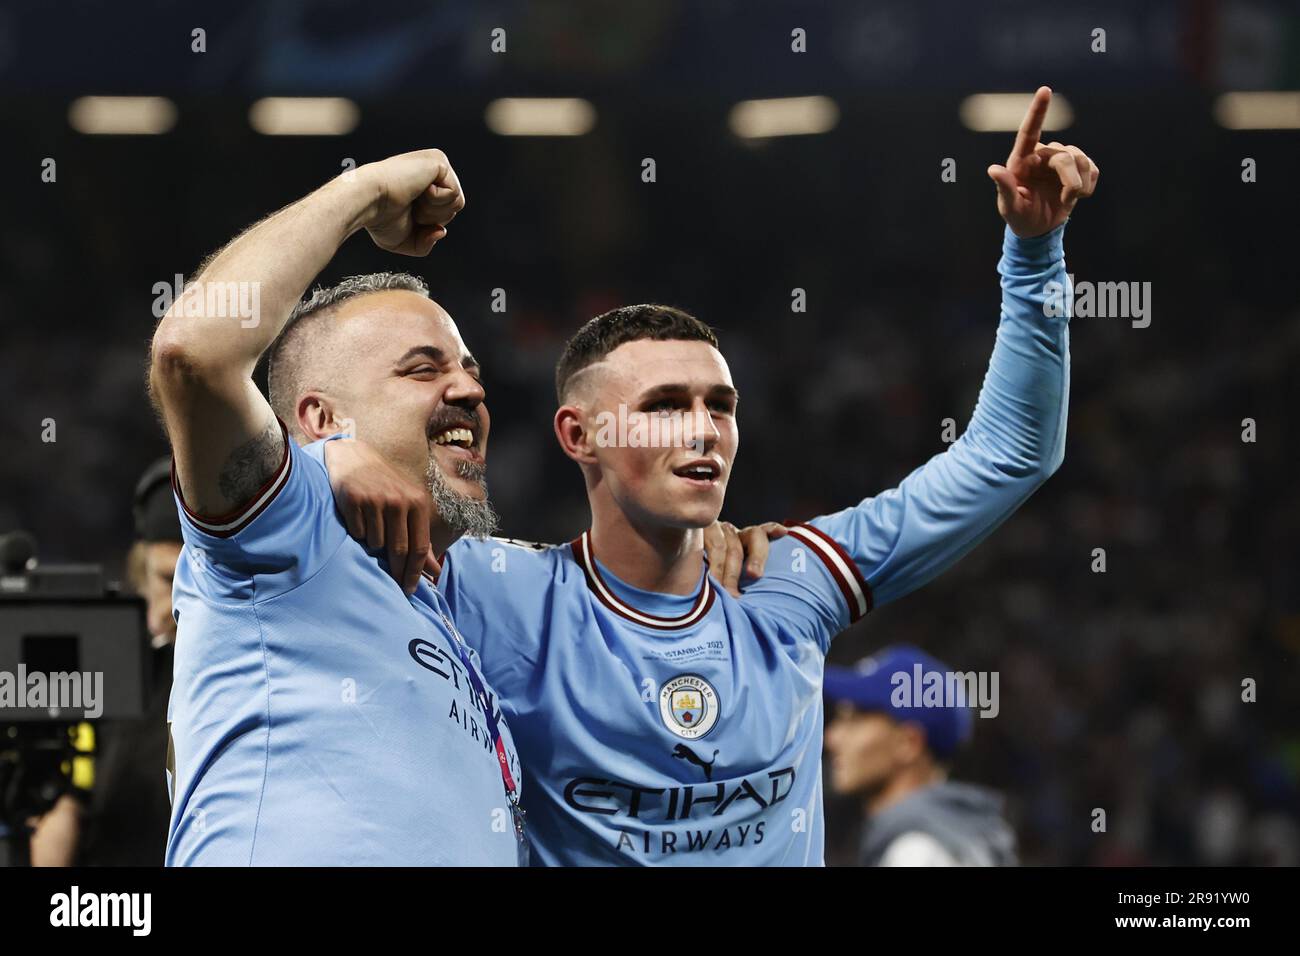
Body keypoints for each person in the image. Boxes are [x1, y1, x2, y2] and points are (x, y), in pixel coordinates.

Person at [325, 86, 1098, 864]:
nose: (703, 428)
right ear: (579, 434)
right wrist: (331, 453)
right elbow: (246, 522)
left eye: (719, 406)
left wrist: (1035, 254)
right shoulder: (492, 595)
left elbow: (1013, 453)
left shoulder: (791, 580)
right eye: (664, 406)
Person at [148, 149, 532, 865]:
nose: (472, 392)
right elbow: (192, 353)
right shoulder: (296, 525)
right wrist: (366, 192)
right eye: (424, 368)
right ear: (321, 418)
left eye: (471, 372)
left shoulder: (450, 604)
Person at [27, 459, 181, 866]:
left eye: (192, 581)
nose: (177, 604)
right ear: (141, 567)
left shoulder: (237, 673)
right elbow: (67, 804)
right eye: (166, 580)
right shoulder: (105, 664)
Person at [823, 645, 1017, 866]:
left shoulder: (916, 852)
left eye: (853, 721)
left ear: (908, 743)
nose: (831, 738)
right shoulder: (940, 839)